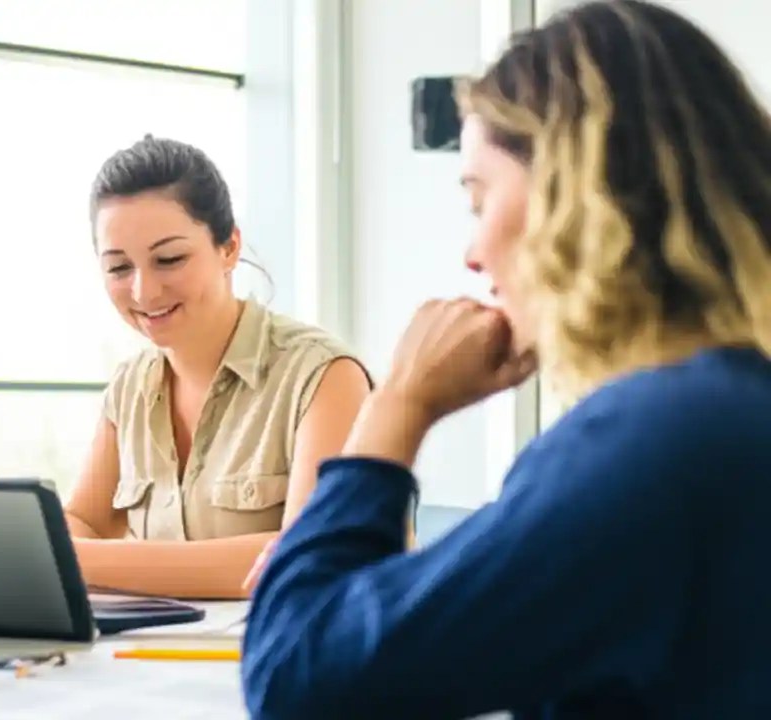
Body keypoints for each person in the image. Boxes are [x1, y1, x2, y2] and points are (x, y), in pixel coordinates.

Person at [240, 1, 771, 717]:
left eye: (479, 199)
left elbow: (292, 674)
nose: (473, 251)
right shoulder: (731, 412)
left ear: (574, 193)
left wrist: (397, 404)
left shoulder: (653, 444)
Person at [63, 136, 373, 599]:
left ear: (229, 248)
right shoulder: (130, 385)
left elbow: (311, 556)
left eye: (169, 259)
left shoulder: (324, 376)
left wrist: (79, 558)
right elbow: (84, 520)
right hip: (153, 664)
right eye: (119, 268)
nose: (144, 292)